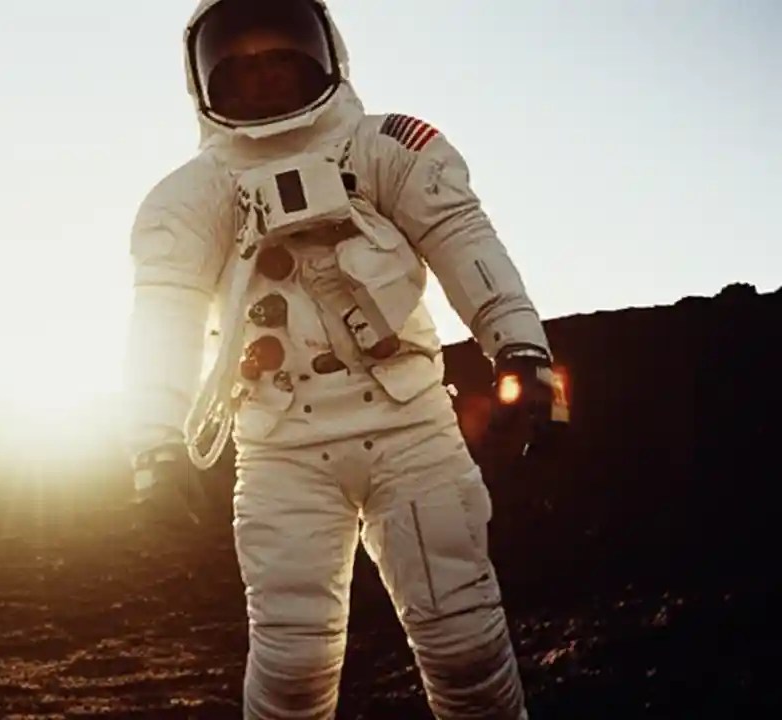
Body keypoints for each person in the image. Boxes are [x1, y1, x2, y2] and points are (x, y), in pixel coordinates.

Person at [121, 1, 567, 717]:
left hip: (411, 429)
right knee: (291, 665)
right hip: (280, 448)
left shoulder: (386, 147)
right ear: (203, 77)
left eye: (283, 55)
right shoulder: (190, 197)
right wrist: (153, 438)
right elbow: (164, 317)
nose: (265, 75)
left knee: (465, 647)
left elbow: (465, 242)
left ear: (326, 54)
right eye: (241, 63)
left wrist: (520, 349)